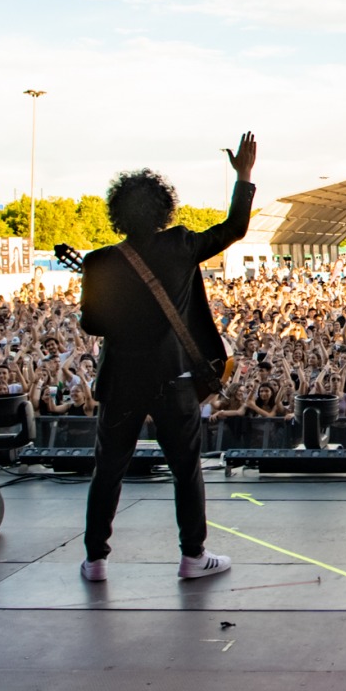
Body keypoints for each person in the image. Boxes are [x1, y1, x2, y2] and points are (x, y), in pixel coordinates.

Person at [77, 134, 257, 584]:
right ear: (164, 209)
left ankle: (96, 560)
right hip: (173, 379)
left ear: (117, 213)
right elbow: (234, 228)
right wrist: (243, 176)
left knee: (108, 470)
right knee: (185, 469)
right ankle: (192, 556)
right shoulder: (179, 245)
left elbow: (91, 325)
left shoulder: (99, 262)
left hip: (121, 380)